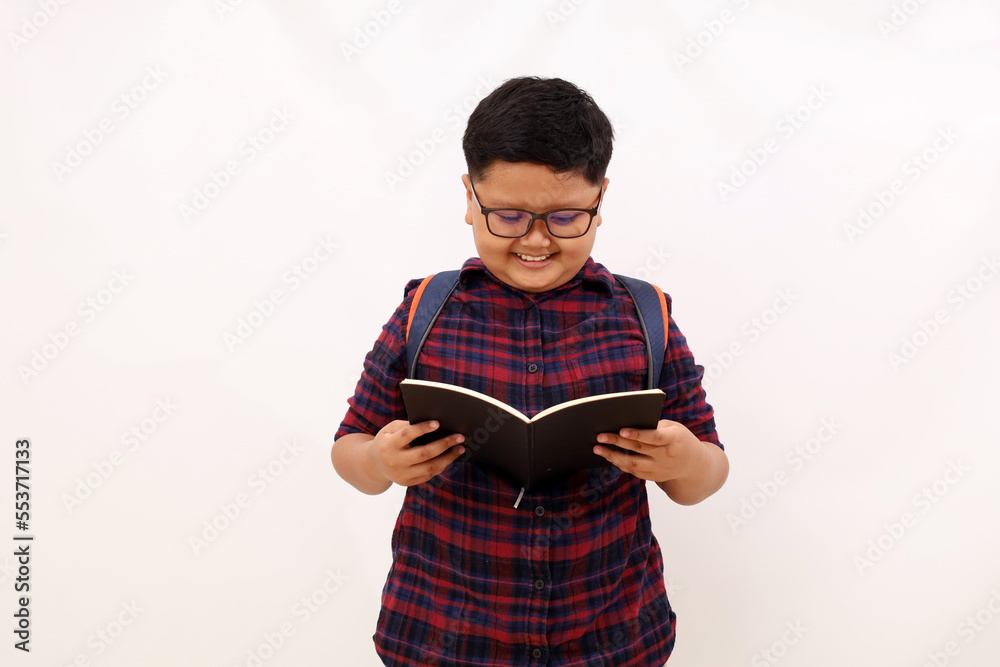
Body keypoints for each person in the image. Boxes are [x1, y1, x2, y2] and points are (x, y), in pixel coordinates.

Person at [331, 76, 729, 666]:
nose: (537, 241)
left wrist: (685, 460)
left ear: (601, 199)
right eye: (509, 216)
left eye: (566, 217)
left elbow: (705, 475)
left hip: (610, 639)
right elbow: (351, 452)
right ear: (470, 197)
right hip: (443, 638)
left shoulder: (645, 316)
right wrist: (380, 461)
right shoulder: (426, 310)